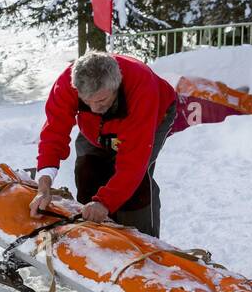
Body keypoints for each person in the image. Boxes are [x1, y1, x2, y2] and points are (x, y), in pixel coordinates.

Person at [29, 51, 177, 237]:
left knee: (135, 189)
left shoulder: (142, 88)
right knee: (87, 172)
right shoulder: (67, 83)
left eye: (100, 100)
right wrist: (44, 185)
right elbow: (54, 133)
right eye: (86, 102)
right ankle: (93, 239)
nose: (93, 108)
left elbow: (133, 162)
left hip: (151, 116)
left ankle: (141, 241)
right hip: (95, 128)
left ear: (116, 87)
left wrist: (106, 202)